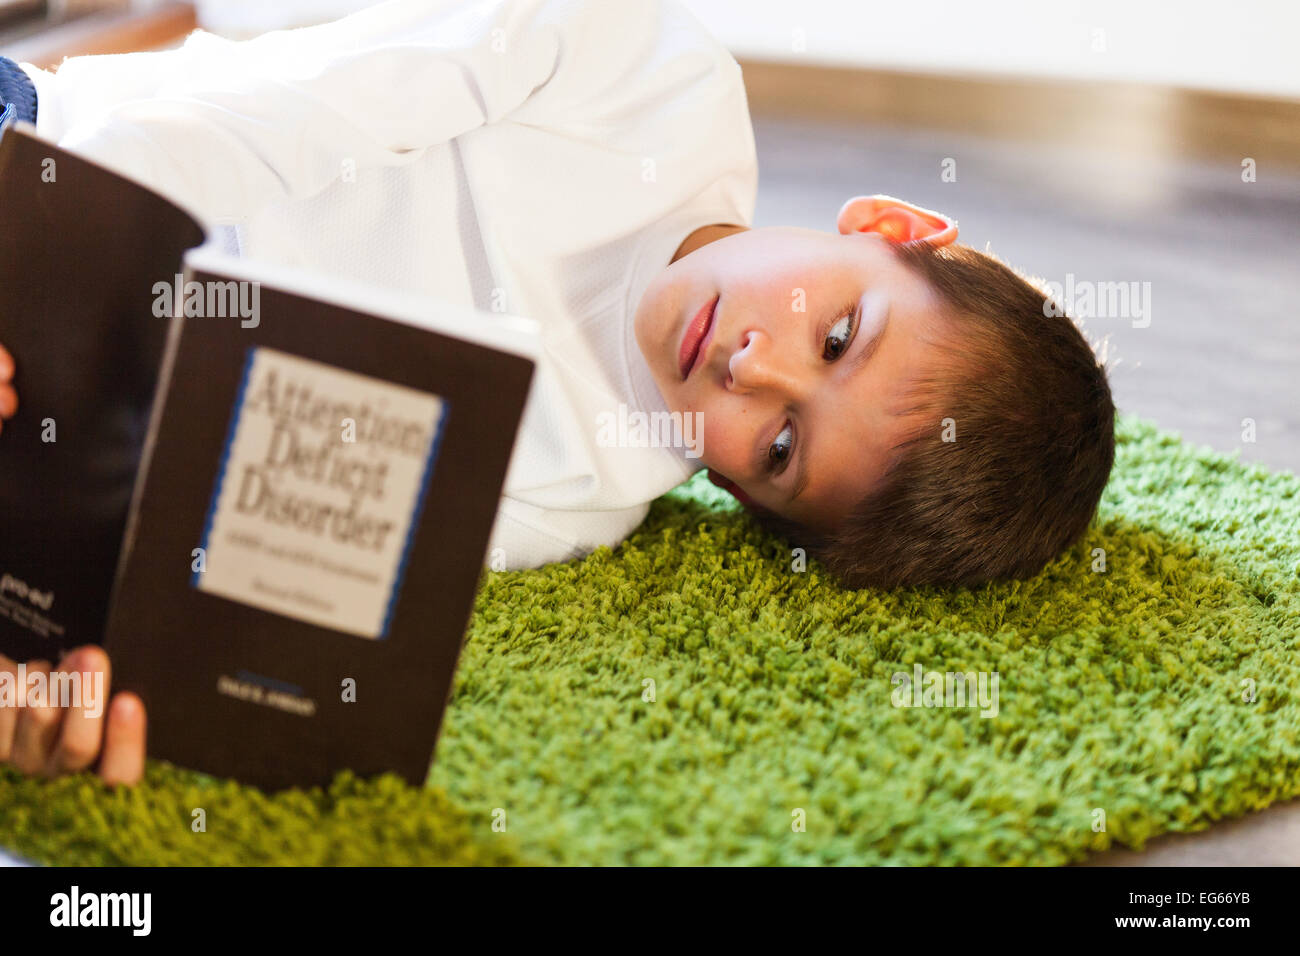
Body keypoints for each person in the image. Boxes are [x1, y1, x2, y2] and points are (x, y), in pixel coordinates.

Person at [0, 0, 1113, 784]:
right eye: (836, 334)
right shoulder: (644, 71)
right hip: (53, 159)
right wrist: (46, 266)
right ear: (888, 230)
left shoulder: (580, 493)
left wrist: (68, 675)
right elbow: (279, 113)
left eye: (780, 447)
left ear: (746, 496)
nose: (753, 369)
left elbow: (229, 528)